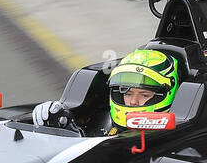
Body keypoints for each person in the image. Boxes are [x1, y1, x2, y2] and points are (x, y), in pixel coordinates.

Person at [32, 48, 182, 135]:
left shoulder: (174, 139)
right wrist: (54, 121)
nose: (133, 102)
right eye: (127, 93)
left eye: (144, 95)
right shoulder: (101, 122)